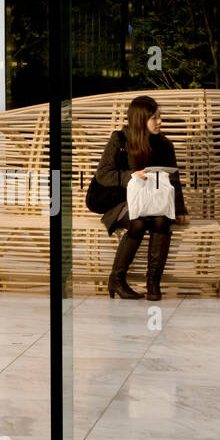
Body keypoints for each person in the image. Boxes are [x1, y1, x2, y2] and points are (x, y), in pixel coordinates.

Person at [90, 95, 189, 300]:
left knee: (162, 221)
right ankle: (117, 279)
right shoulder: (120, 140)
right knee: (138, 222)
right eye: (154, 118)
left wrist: (180, 210)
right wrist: (131, 176)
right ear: (140, 120)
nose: (159, 121)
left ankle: (153, 283)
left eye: (160, 117)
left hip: (153, 202)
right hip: (120, 201)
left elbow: (174, 180)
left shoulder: (164, 145)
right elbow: (103, 173)